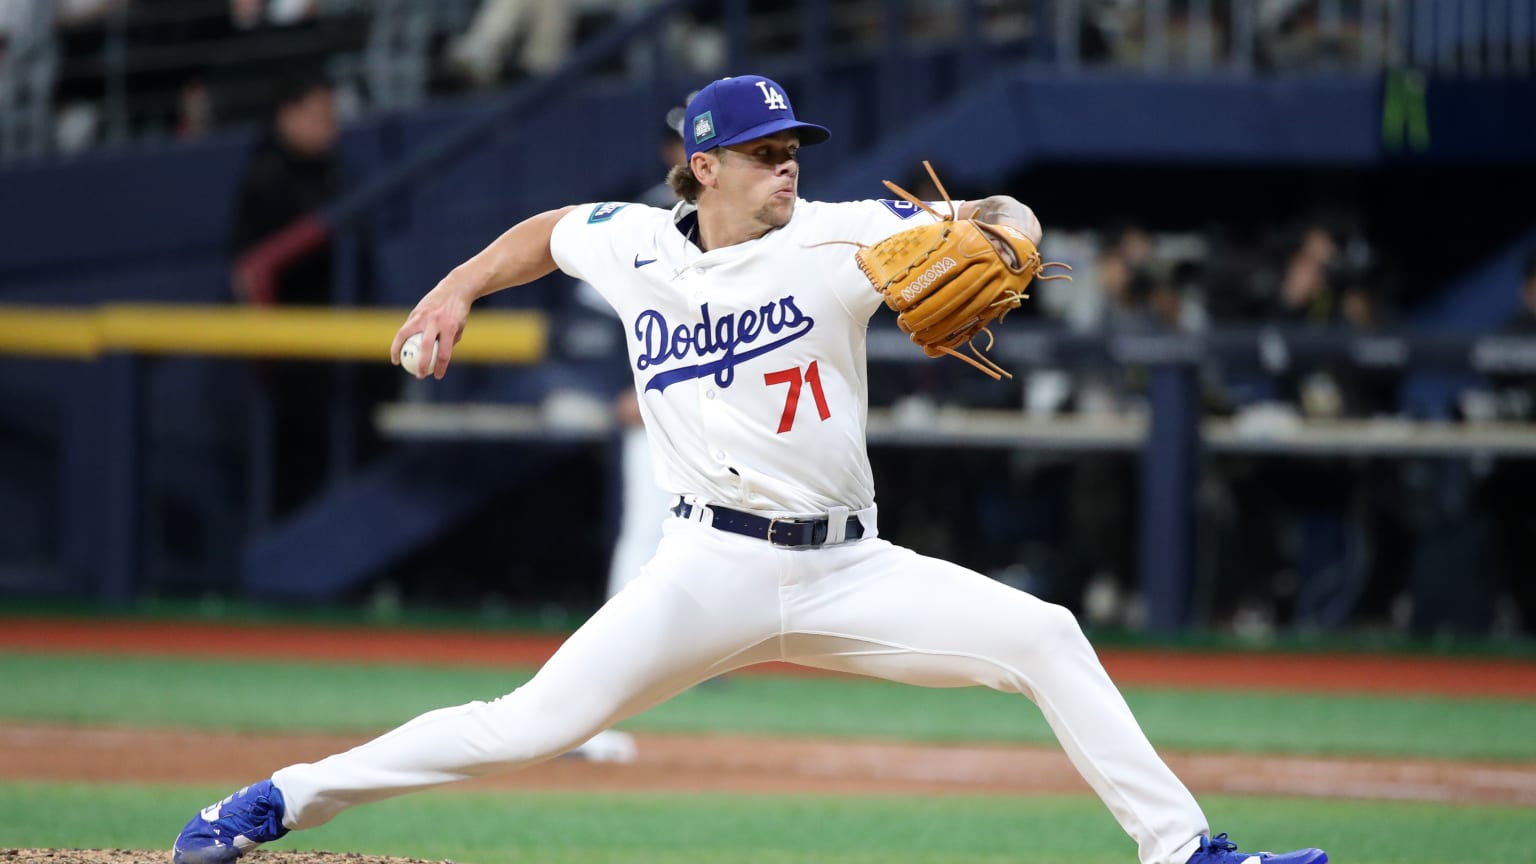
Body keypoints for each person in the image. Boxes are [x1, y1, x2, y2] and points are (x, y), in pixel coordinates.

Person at [173, 74, 1327, 864]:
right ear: (704, 167)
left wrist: (1008, 229)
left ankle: (1187, 853)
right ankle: (275, 801)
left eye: (793, 152)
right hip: (707, 569)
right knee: (523, 728)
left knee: (1047, 637)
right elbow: (549, 230)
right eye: (767, 155)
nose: (788, 170)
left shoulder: (840, 235)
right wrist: (457, 287)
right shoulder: (636, 243)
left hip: (848, 569)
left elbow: (997, 211)